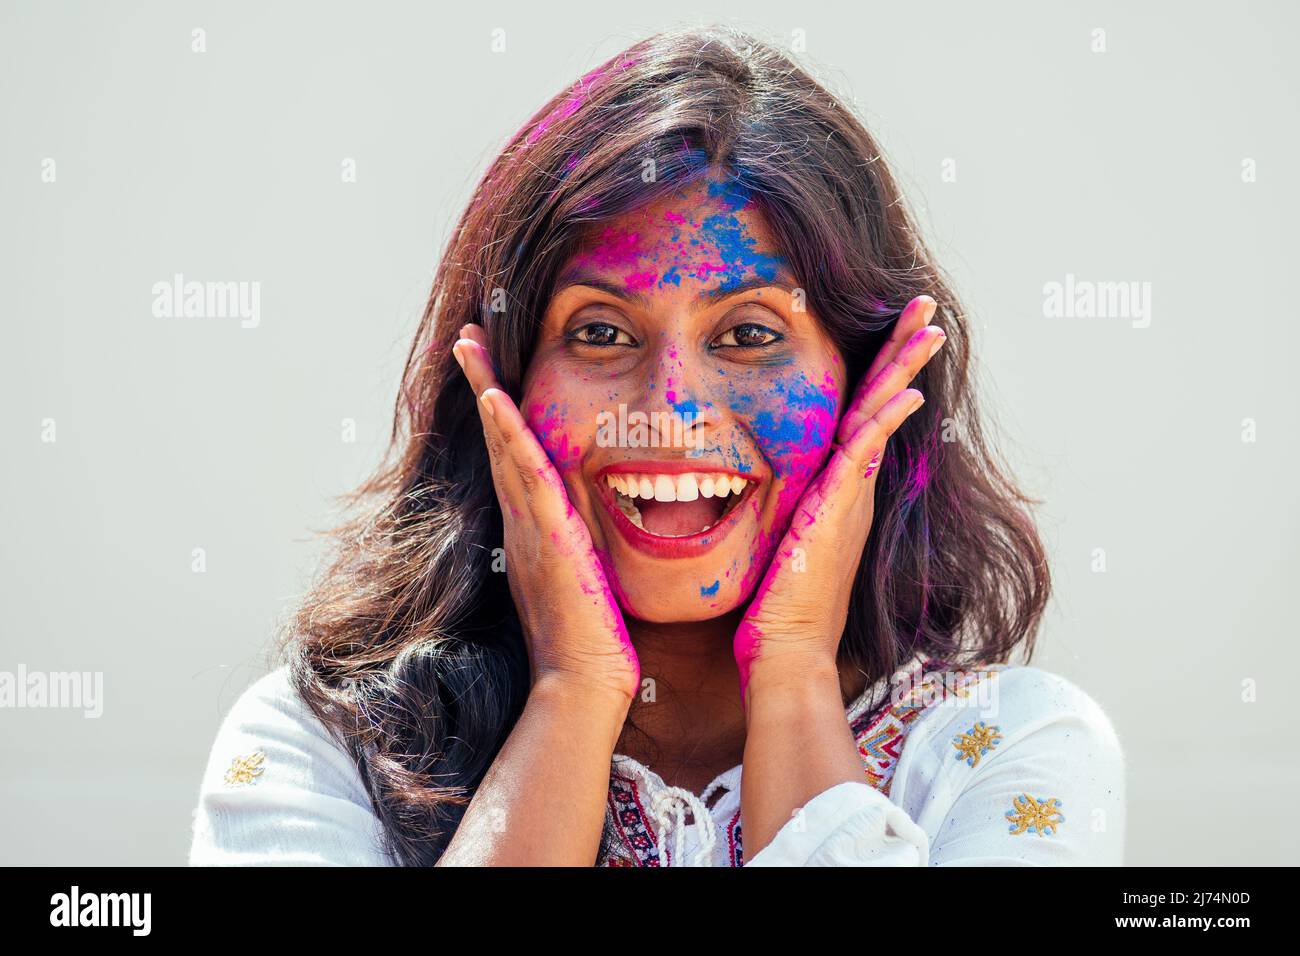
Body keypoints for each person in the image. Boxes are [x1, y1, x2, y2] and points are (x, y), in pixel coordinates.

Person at [189, 25, 1124, 867]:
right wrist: (573, 691)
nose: (670, 410)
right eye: (599, 333)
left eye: (750, 334)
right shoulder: (321, 748)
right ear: (499, 379)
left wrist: (796, 671)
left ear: (873, 380)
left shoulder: (1008, 755)